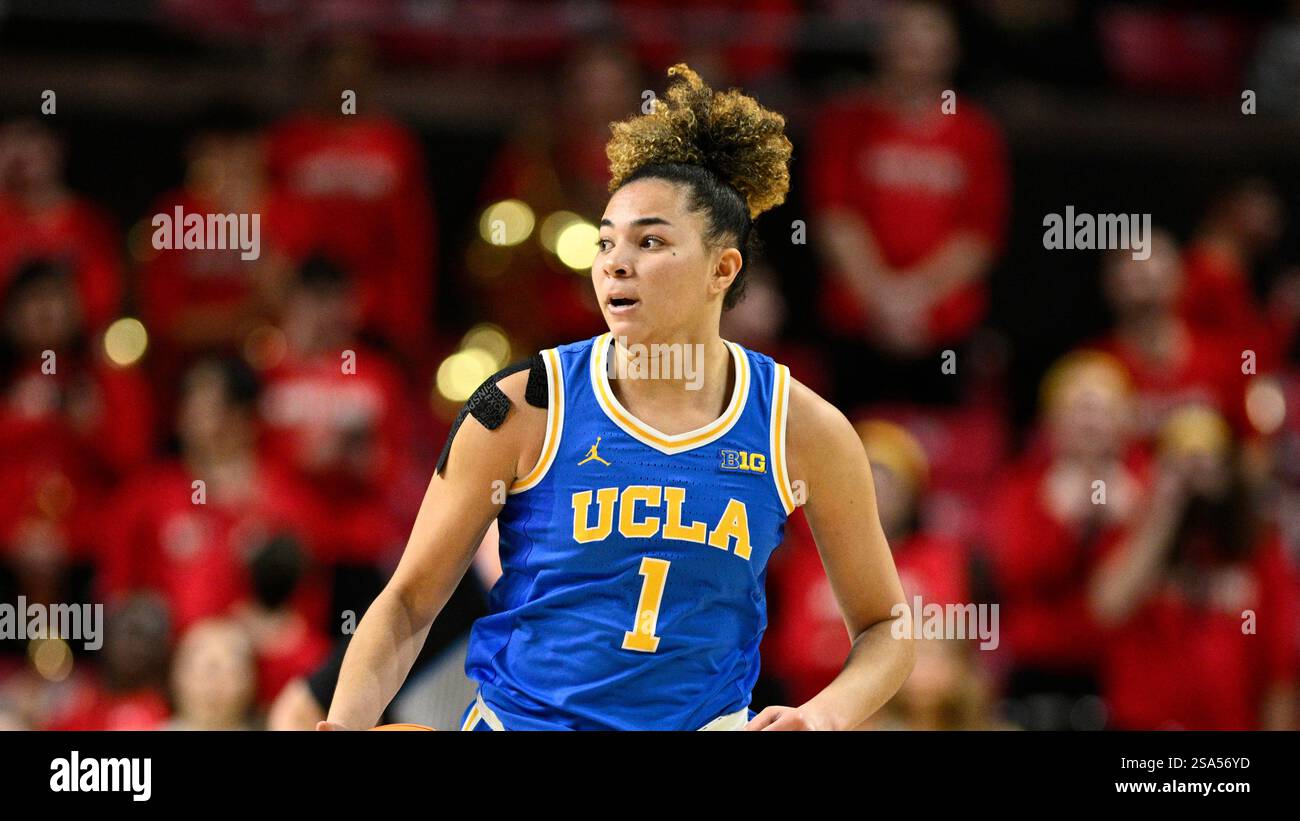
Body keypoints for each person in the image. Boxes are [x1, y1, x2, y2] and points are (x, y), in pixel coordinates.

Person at [321, 64, 914, 731]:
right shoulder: (521, 405)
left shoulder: (797, 424)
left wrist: (825, 715)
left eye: (650, 241)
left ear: (723, 267)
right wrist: (344, 722)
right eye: (606, 241)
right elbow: (406, 603)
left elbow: (886, 623)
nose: (614, 263)